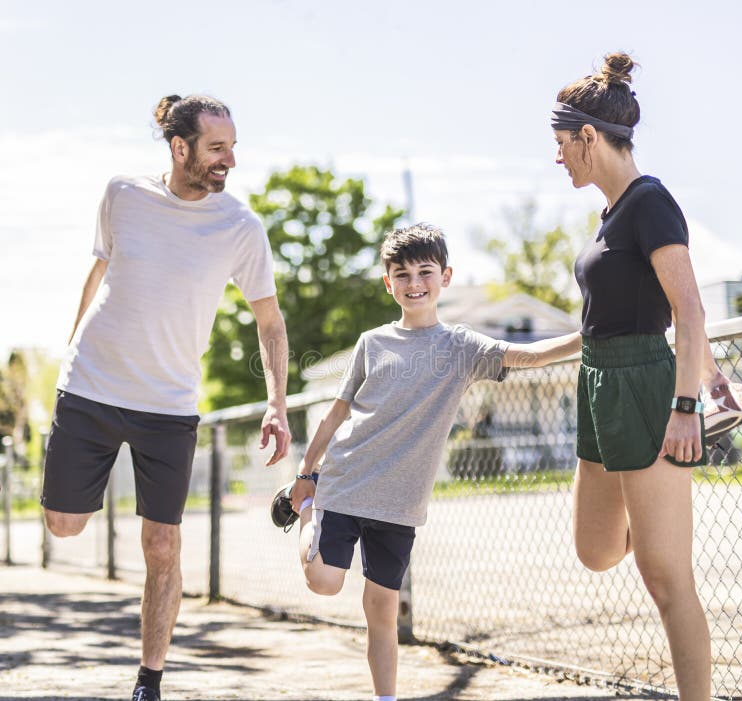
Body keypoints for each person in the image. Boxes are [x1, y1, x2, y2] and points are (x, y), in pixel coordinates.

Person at [41, 94, 291, 701]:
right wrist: (70, 347)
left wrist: (277, 401)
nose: (229, 159)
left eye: (232, 146)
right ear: (179, 149)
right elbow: (98, 270)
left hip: (169, 405)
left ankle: (149, 681)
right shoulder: (122, 194)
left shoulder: (240, 226)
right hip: (92, 386)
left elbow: (270, 322)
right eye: (216, 148)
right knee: (63, 525)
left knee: (163, 543)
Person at [270, 223, 581, 701]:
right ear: (387, 282)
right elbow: (337, 411)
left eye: (424, 271)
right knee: (325, 582)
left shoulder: (461, 348)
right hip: (345, 482)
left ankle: (386, 698)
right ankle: (305, 509)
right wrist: (307, 475)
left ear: (446, 276)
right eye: (402, 273)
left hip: (400, 503)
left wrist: (590, 336)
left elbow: (530, 356)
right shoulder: (372, 343)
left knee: (382, 611)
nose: (414, 282)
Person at [551, 53, 712, 699]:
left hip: (649, 390)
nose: (558, 157)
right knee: (595, 550)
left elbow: (689, 309)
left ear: (589, 137)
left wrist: (685, 406)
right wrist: (518, 357)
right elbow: (601, 322)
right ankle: (654, 520)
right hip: (598, 386)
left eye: (562, 143)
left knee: (666, 576)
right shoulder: (609, 216)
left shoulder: (649, 201)